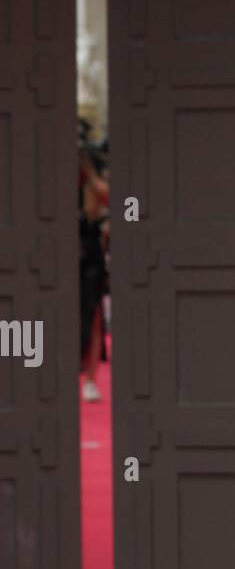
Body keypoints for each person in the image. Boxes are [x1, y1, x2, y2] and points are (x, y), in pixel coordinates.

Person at [79, 138, 110, 401]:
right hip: (59, 253)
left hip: (90, 255)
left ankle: (90, 379)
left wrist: (87, 172)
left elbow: (107, 196)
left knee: (95, 318)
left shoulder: (91, 177)